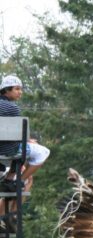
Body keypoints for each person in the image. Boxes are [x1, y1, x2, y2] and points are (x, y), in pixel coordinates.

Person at [0, 75, 50, 211]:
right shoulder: (12, 108)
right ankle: (19, 181)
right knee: (43, 152)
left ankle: (10, 178)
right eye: (17, 89)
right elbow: (16, 133)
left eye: (20, 89)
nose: (20, 92)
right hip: (9, 149)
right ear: (6, 90)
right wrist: (27, 140)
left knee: (24, 148)